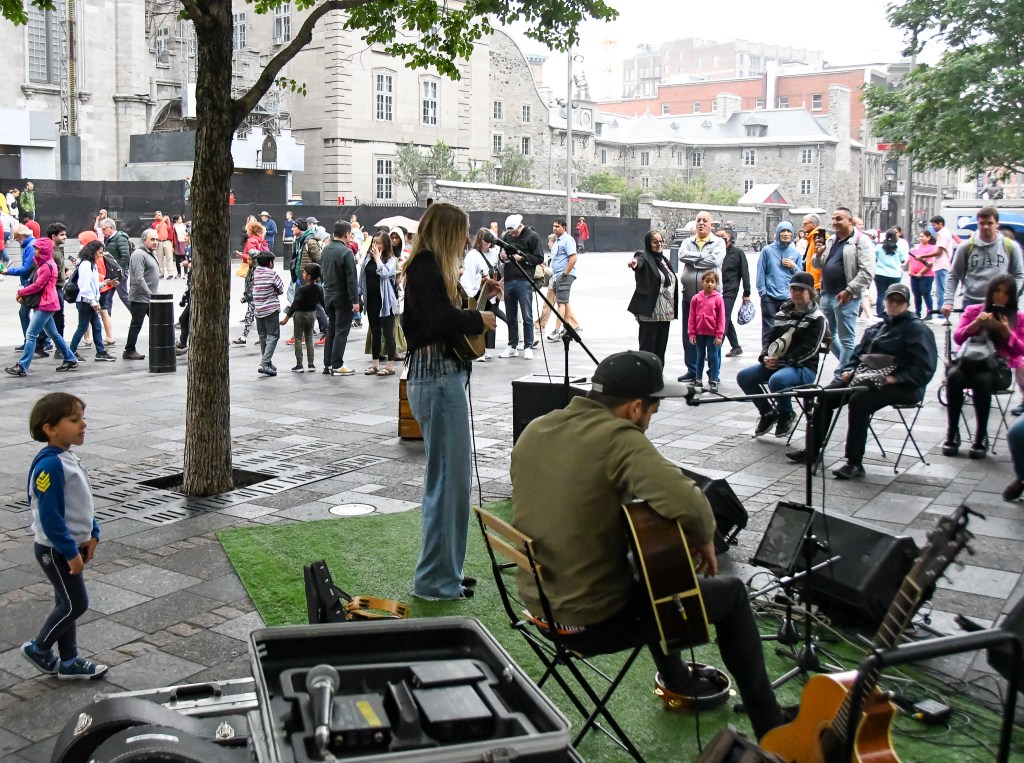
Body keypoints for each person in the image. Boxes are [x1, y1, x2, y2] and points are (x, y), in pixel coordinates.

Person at [511, 350, 788, 740]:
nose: (649, 422)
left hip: (538, 604)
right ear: (636, 407)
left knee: (655, 572)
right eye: (653, 413)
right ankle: (770, 722)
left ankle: (677, 677)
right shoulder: (618, 438)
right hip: (588, 620)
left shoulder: (539, 427)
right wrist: (703, 535)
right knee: (732, 594)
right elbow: (690, 501)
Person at [401, 202, 495, 601]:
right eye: (463, 231)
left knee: (450, 483)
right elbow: (442, 321)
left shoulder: (430, 268)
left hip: (439, 377)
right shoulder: (424, 267)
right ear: (448, 231)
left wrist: (480, 300)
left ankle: (446, 571)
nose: (466, 240)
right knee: (448, 484)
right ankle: (435, 581)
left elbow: (440, 316)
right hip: (437, 379)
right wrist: (479, 319)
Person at [786, 283, 937, 479]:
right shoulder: (878, 327)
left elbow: (925, 368)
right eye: (891, 300)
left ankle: (854, 462)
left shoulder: (917, 329)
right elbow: (857, 355)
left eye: (899, 301)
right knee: (825, 395)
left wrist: (895, 378)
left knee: (859, 401)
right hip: (868, 377)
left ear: (907, 304)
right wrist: (849, 370)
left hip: (906, 385)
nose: (894, 304)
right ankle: (812, 451)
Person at [20, 393, 109, 680]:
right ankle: (40, 648)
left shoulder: (66, 457)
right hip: (54, 550)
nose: (83, 424)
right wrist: (70, 551)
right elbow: (50, 516)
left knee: (66, 604)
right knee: (75, 604)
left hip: (69, 546)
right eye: (74, 420)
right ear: (50, 428)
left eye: (83, 418)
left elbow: (81, 504)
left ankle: (69, 660)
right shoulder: (50, 466)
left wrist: (92, 533)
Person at [738, 272, 828, 438]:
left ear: (810, 293)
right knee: (744, 377)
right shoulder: (783, 313)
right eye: (793, 289)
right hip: (778, 363)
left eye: (801, 290)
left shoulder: (817, 318)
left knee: (777, 380)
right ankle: (767, 412)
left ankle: (787, 413)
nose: (796, 293)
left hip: (803, 367)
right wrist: (765, 356)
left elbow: (810, 349)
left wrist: (782, 361)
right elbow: (770, 339)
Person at [943, 275, 1024, 459]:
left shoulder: (1018, 317)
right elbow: (958, 338)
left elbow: (1020, 349)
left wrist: (1006, 331)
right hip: (968, 362)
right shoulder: (974, 310)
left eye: (1006, 293)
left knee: (982, 381)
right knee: (954, 378)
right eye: (996, 291)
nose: (1000, 297)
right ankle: (952, 433)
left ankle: (981, 436)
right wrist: (975, 324)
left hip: (997, 368)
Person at [812, 207, 875, 371]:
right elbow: (817, 265)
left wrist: (849, 290)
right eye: (833, 219)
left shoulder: (861, 240)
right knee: (827, 335)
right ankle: (850, 366)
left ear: (850, 220)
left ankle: (842, 373)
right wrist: (818, 254)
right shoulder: (832, 240)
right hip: (826, 295)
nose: (834, 222)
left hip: (846, 297)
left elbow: (867, 272)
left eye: (838, 219)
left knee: (846, 338)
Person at [5, 239, 79, 376]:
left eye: (37, 249)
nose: (35, 251)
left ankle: (22, 366)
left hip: (46, 304)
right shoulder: (46, 263)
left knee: (31, 334)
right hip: (47, 303)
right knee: (53, 334)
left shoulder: (46, 266)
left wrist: (21, 292)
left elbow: (38, 285)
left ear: (44, 250)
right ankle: (70, 358)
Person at [942, 206, 1024, 317]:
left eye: (990, 223)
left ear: (997, 224)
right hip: (971, 303)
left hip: (1000, 304)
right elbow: (953, 275)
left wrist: (1010, 296)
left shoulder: (1011, 246)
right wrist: (948, 301)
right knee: (968, 333)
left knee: (1001, 334)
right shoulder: (966, 247)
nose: (985, 227)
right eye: (982, 223)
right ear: (977, 224)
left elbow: (1019, 275)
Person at [677, 211, 726, 382]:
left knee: (713, 338)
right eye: (698, 220)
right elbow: (681, 255)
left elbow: (714, 262)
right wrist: (704, 256)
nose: (701, 223)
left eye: (705, 220)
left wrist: (693, 260)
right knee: (689, 335)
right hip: (690, 297)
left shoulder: (719, 242)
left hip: (711, 300)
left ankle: (714, 374)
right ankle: (692, 370)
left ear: (711, 224)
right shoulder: (687, 242)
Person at [498, 214, 544, 360]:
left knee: (527, 315)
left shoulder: (532, 236)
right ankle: (512, 345)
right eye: (510, 233)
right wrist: (502, 257)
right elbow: (501, 254)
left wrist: (522, 258)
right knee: (511, 315)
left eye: (515, 232)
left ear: (520, 225)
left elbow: (540, 258)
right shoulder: (507, 236)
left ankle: (528, 346)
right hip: (509, 278)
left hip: (524, 279)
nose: (513, 235)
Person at [628, 231, 677, 367]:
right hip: (650, 313)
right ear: (649, 244)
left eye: (661, 241)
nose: (659, 244)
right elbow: (639, 261)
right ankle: (645, 377)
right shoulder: (643, 255)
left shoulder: (664, 260)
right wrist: (635, 263)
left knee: (660, 350)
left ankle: (658, 377)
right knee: (647, 349)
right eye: (655, 242)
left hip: (665, 314)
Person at [320, 220, 360, 376]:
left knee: (332, 330)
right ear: (346, 234)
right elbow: (351, 279)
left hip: (328, 294)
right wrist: (355, 301)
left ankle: (328, 364)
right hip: (342, 297)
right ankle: (337, 364)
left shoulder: (326, 249)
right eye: (350, 234)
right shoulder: (346, 252)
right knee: (341, 331)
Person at [358, 231, 400, 376]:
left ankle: (390, 366)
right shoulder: (367, 258)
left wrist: (377, 258)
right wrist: (359, 296)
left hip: (386, 302)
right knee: (375, 332)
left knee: (388, 333)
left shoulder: (391, 260)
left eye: (379, 242)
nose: (376, 245)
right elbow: (362, 277)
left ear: (386, 244)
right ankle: (375, 364)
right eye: (374, 242)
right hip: (371, 301)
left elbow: (384, 273)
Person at [68, 241, 116, 362]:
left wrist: (103, 284)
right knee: (83, 326)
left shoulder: (89, 264)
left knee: (96, 326)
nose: (100, 255)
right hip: (86, 301)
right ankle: (71, 351)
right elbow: (84, 286)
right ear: (93, 252)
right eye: (99, 253)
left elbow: (90, 285)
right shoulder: (86, 265)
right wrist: (92, 301)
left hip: (88, 300)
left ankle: (100, 351)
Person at [756, 221, 802, 347]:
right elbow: (761, 272)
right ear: (777, 233)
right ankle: (765, 355)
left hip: (788, 298)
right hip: (769, 297)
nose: (786, 234)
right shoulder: (767, 251)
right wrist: (763, 293)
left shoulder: (796, 253)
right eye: (783, 231)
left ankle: (781, 358)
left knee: (787, 329)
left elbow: (801, 276)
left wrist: (794, 266)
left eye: (789, 231)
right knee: (769, 329)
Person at [466, 228, 505, 361]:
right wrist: (471, 294)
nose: (487, 242)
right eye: (484, 239)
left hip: (492, 291)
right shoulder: (473, 255)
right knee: (480, 319)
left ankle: (488, 348)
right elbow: (469, 275)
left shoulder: (494, 253)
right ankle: (479, 349)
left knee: (489, 319)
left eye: (489, 239)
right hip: (479, 291)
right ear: (479, 239)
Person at [122, 230, 161, 361]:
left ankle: (165, 345)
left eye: (157, 239)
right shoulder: (139, 254)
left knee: (158, 322)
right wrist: (150, 294)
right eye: (152, 239)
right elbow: (138, 278)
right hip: (141, 298)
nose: (155, 242)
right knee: (136, 324)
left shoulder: (150, 253)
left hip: (150, 297)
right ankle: (129, 350)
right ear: (144, 240)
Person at [281, 262, 323, 373]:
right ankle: (311, 364)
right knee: (309, 338)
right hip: (312, 314)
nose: (303, 274)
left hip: (300, 315)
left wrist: (286, 318)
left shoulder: (301, 289)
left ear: (308, 276)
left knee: (298, 338)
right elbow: (322, 302)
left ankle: (299, 365)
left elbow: (295, 304)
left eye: (304, 272)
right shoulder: (319, 288)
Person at [687, 270, 726, 391]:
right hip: (699, 333)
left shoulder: (718, 299)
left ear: (716, 284)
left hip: (713, 334)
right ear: (702, 282)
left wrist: (719, 335)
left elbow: (721, 318)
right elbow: (691, 317)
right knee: (699, 356)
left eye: (712, 282)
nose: (709, 284)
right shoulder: (695, 299)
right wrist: (691, 333)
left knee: (713, 356)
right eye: (707, 281)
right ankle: (698, 379)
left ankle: (714, 379)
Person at [718, 227, 751, 357]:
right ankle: (736, 346)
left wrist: (746, 292)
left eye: (722, 236)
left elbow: (745, 273)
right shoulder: (716, 252)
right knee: (725, 318)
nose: (720, 238)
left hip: (730, 290)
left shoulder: (737, 253)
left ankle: (716, 348)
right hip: (717, 289)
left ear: (729, 237)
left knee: (723, 317)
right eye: (717, 236)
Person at [251, 251, 285, 376]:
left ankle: (267, 361)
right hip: (270, 308)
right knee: (273, 335)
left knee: (263, 335)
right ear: (270, 263)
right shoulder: (272, 273)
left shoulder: (255, 273)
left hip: (258, 308)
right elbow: (281, 288)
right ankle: (264, 363)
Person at [547, 218, 580, 340]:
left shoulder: (567, 240)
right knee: (564, 302)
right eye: (554, 226)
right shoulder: (557, 241)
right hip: (558, 276)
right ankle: (567, 329)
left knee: (560, 303)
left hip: (564, 275)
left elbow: (573, 258)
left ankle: (557, 330)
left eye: (557, 226)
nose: (555, 228)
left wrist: (565, 273)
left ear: (564, 227)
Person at [873, 229, 907, 318]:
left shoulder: (879, 247)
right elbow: (903, 260)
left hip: (880, 273)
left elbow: (873, 258)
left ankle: (880, 313)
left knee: (880, 293)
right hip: (895, 274)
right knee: (892, 295)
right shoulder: (898, 248)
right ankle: (892, 312)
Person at [906, 228, 939, 319]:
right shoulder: (915, 248)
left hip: (926, 276)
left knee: (926, 294)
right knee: (916, 295)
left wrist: (921, 272)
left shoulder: (932, 248)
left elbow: (930, 262)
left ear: (928, 237)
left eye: (922, 236)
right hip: (914, 275)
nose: (920, 238)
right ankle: (918, 312)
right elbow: (910, 260)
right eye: (919, 236)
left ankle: (930, 312)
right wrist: (910, 270)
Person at [930, 214, 956, 310]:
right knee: (941, 290)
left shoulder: (943, 234)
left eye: (934, 225)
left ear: (940, 223)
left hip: (941, 265)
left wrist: (923, 256)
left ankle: (941, 314)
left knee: (941, 291)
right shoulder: (945, 233)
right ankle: (941, 313)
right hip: (941, 264)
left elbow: (939, 251)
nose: (933, 227)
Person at [798, 214, 823, 291]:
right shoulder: (811, 238)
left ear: (813, 224)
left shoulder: (820, 237)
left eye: (805, 223)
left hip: (817, 284)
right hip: (812, 283)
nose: (802, 225)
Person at [152, 212, 174, 278]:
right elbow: (157, 229)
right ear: (155, 217)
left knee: (169, 257)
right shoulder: (155, 223)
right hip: (159, 242)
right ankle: (161, 273)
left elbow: (169, 229)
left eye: (161, 215)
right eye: (159, 215)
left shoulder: (165, 222)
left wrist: (168, 221)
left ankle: (170, 273)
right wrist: (163, 221)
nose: (161, 216)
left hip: (167, 241)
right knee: (160, 258)